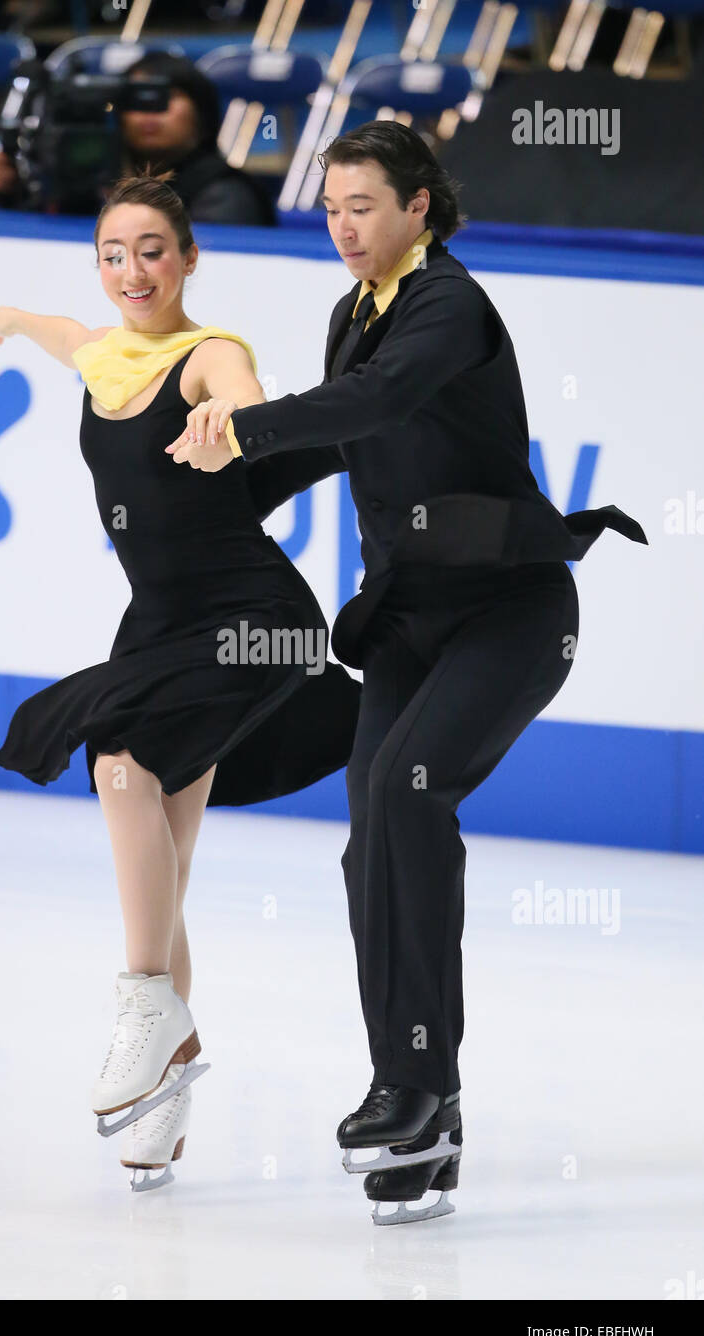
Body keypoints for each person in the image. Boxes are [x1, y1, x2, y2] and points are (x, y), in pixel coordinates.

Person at [166, 120, 648, 1223]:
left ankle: (418, 1082)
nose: (342, 228)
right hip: (406, 618)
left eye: (363, 207)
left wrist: (239, 427)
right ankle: (420, 1101)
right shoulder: (355, 312)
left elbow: (374, 403)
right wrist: (217, 505)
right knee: (368, 843)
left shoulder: (446, 306)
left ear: (418, 207)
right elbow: (343, 439)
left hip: (511, 609)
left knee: (405, 790)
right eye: (330, 207)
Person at [0, 171, 360, 1186]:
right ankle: (168, 1081)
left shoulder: (209, 354)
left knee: (117, 761)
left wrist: (225, 423)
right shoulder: (103, 355)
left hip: (256, 621)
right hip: (161, 623)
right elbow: (71, 332)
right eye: (113, 253)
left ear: (188, 257)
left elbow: (245, 398)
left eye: (152, 250)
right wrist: (18, 319)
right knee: (166, 860)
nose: (132, 270)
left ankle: (146, 1006)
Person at [0, 49, 276, 226]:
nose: (148, 114)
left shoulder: (226, 194)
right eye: (135, 101)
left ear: (203, 114)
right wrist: (9, 193)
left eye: (161, 100)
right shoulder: (93, 182)